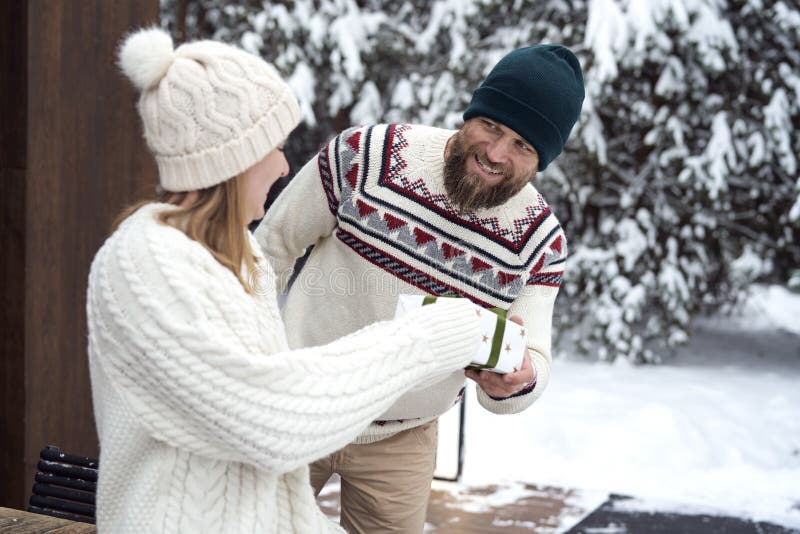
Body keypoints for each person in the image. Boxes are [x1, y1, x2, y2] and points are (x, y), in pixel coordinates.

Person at [86, 27, 484, 534]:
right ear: (229, 162)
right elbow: (269, 421)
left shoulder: (240, 256)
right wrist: (425, 338)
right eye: (272, 147)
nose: (283, 165)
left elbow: (269, 483)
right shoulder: (142, 265)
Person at [254, 44, 585, 532]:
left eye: (523, 145)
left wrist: (518, 379)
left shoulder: (538, 242)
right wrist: (253, 360)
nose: (495, 154)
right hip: (296, 407)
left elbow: (530, 367)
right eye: (491, 126)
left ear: (543, 160)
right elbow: (268, 252)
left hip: (403, 440)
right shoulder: (366, 155)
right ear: (471, 112)